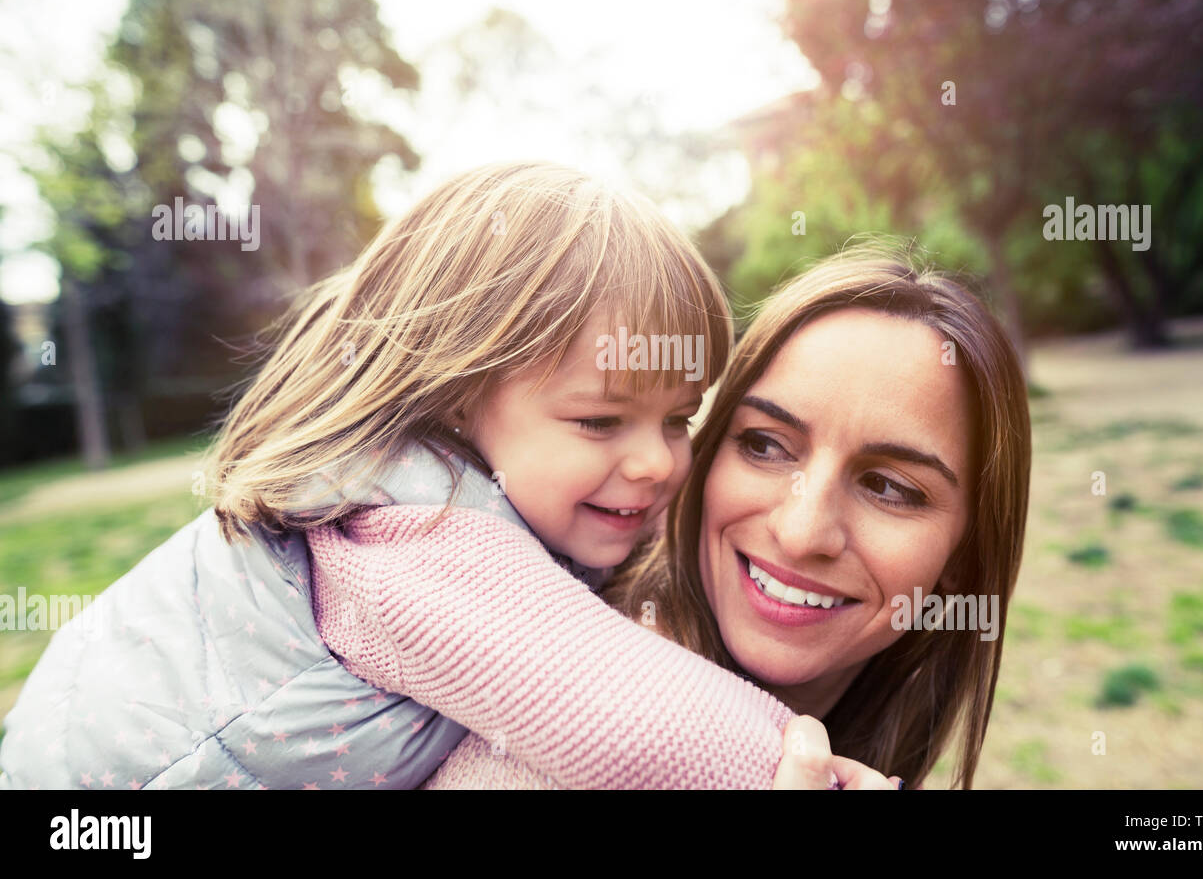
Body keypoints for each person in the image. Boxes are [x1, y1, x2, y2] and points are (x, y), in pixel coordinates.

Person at [0, 161, 808, 789]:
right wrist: (793, 766)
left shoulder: (440, 483)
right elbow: (618, 712)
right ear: (458, 396)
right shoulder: (419, 524)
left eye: (680, 419)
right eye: (600, 420)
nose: (656, 461)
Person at [422, 247, 1031, 789]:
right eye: (765, 445)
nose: (800, 532)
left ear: (964, 556)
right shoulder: (567, 739)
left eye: (888, 487)